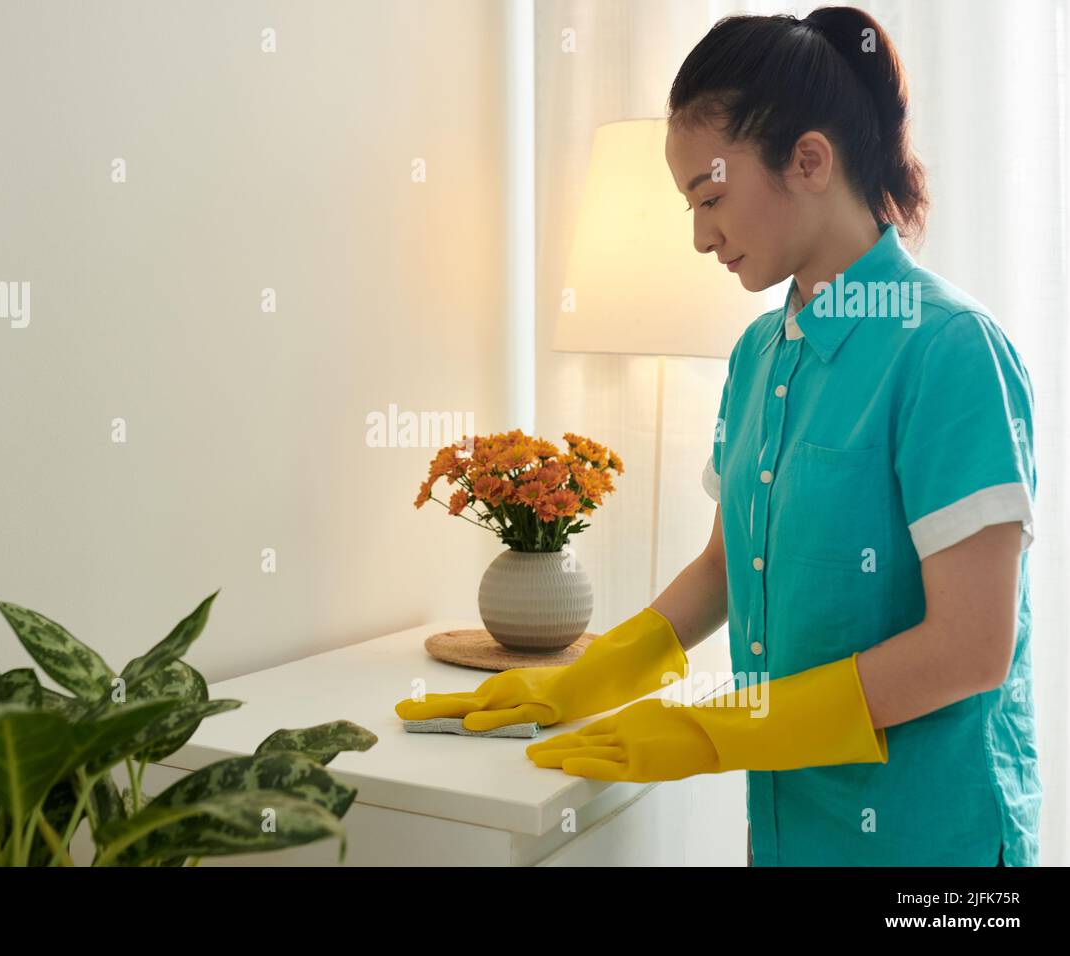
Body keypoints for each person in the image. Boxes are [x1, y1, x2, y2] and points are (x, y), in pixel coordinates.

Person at [396, 6, 1040, 867]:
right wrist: (589, 678)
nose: (700, 235)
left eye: (711, 195)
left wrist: (714, 729)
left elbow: (971, 649)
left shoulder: (949, 351)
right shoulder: (757, 355)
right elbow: (728, 565)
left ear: (809, 160)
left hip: (933, 849)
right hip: (786, 832)